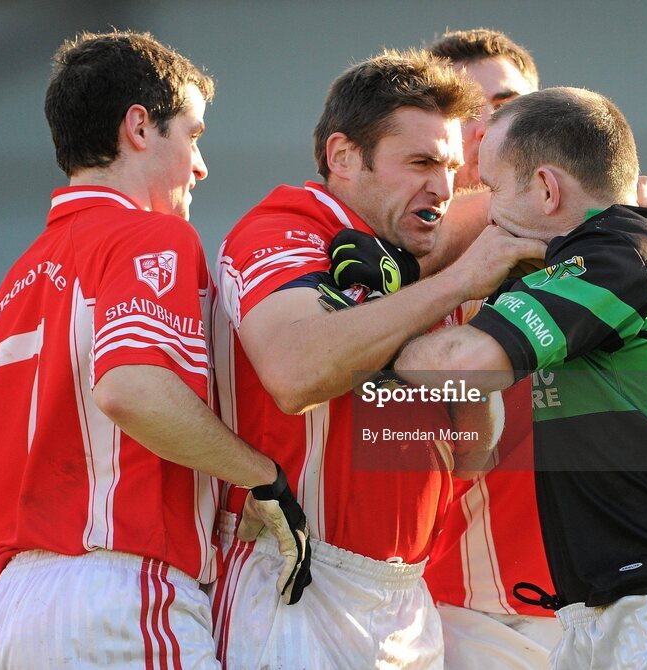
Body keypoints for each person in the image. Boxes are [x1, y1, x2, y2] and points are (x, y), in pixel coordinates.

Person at [0, 31, 310, 669]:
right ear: (139, 127)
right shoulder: (150, 235)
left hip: (0, 621)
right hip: (119, 601)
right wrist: (263, 478)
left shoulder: (17, 281)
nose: (200, 165)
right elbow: (132, 387)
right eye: (193, 136)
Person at [394, 87, 647, 669]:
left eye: (494, 190)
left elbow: (457, 368)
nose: (487, 215)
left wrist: (385, 308)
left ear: (547, 188)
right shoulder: (598, 259)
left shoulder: (623, 252)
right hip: (612, 608)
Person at [208, 49, 545, 669]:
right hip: (296, 578)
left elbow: (472, 454)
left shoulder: (410, 265)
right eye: (419, 162)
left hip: (406, 600)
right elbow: (293, 373)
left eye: (446, 165)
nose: (442, 187)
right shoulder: (285, 226)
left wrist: (473, 357)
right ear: (342, 157)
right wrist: (459, 282)